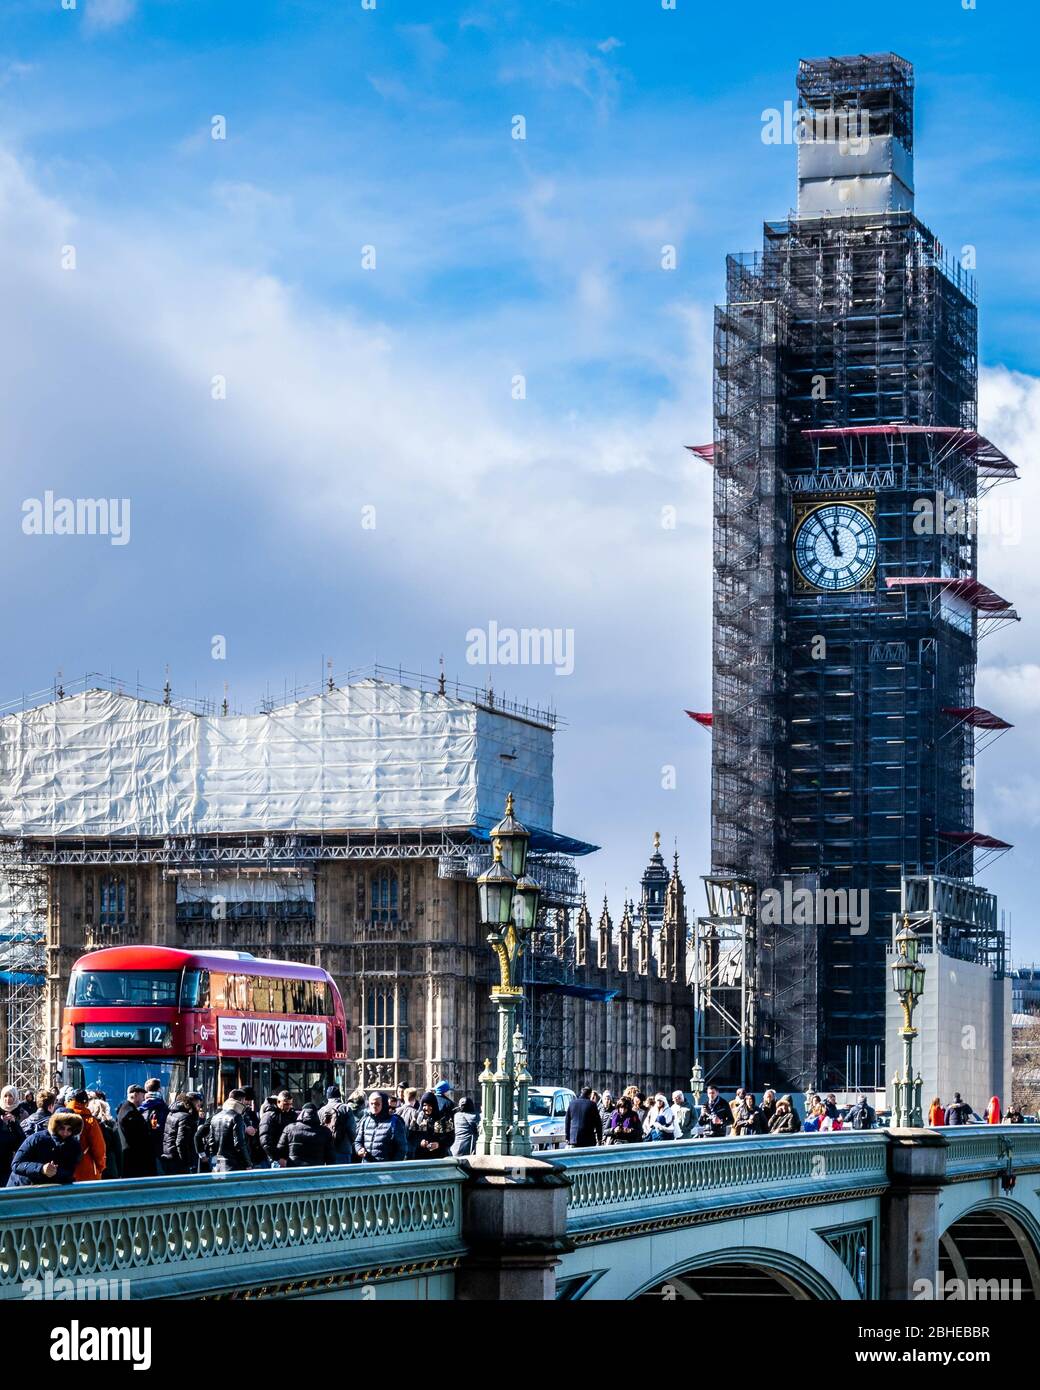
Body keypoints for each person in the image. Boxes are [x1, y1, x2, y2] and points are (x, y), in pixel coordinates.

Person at [7, 1111, 83, 1187]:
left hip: (50, 1189)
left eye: (69, 1129)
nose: (65, 1133)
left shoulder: (74, 1145)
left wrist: (55, 1172)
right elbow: (16, 1164)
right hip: (23, 1186)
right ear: (55, 1127)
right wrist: (41, 1169)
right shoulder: (37, 1139)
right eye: (62, 1128)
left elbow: (69, 1171)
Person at [207, 1089, 255, 1173]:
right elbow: (239, 1143)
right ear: (241, 1101)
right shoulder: (237, 1117)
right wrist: (248, 1164)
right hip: (234, 1164)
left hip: (218, 1164)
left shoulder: (215, 1117)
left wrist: (214, 1164)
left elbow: (211, 1143)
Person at [354, 1091, 408, 1163]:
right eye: (371, 1104)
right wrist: (359, 1149)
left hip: (386, 1169)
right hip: (367, 1167)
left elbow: (402, 1149)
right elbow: (358, 1141)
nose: (374, 1106)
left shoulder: (395, 1122)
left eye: (377, 1104)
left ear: (384, 1104)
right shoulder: (365, 1121)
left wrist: (392, 1166)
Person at [116, 1084, 156, 1178]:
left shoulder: (126, 1109)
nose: (144, 1098)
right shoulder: (130, 1112)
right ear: (136, 1094)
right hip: (135, 1159)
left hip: (132, 1158)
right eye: (142, 1095)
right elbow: (138, 1137)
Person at [278, 1102, 335, 1167]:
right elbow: (331, 1157)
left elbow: (280, 1152)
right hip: (316, 1171)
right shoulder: (325, 1131)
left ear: (302, 1113)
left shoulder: (290, 1129)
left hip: (294, 1170)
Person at [69, 1088, 107, 1181]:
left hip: (64, 1168)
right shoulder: (89, 1120)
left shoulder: (60, 1116)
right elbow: (98, 1147)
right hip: (86, 1168)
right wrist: (101, 1166)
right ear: (85, 1103)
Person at [162, 1094, 201, 1175]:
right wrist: (186, 1163)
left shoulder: (172, 1113)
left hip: (169, 1156)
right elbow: (181, 1142)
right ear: (192, 1103)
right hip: (179, 1161)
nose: (199, 1107)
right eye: (198, 1104)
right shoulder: (185, 1117)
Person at [318, 1085, 357, 1163]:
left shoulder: (321, 1110)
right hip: (344, 1148)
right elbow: (352, 1130)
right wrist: (353, 1143)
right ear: (339, 1096)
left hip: (327, 1150)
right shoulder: (346, 1108)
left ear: (327, 1097)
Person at [139, 1078, 169, 1171]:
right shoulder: (162, 1107)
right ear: (160, 1089)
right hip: (159, 1146)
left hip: (142, 1148)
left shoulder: (139, 1108)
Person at [260, 1092, 298, 1166]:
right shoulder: (269, 1116)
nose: (289, 1107)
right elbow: (265, 1140)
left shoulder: (292, 1115)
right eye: (286, 1104)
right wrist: (276, 1158)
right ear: (278, 1102)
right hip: (275, 1158)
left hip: (289, 1157)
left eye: (290, 1104)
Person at [0, 1086, 28, 1185]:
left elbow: (23, 1140)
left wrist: (15, 1123)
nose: (8, 1099)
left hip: (14, 1159)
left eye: (11, 1096)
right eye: (5, 1096)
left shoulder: (22, 1113)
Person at [415, 1091, 454, 1158]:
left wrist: (438, 1144)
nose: (427, 1108)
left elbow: (450, 1138)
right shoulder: (417, 1117)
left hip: (438, 1158)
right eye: (424, 1105)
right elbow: (410, 1136)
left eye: (430, 1105)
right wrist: (420, 1142)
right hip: (420, 1158)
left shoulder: (443, 1118)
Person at [89, 1096, 122, 1178]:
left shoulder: (89, 1124)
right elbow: (118, 1148)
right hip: (110, 1164)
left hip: (93, 1164)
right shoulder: (110, 1124)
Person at [397, 1087, 422, 1159]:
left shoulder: (397, 1111)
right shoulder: (416, 1113)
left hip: (397, 1148)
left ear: (405, 1097)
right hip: (410, 1149)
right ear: (415, 1098)